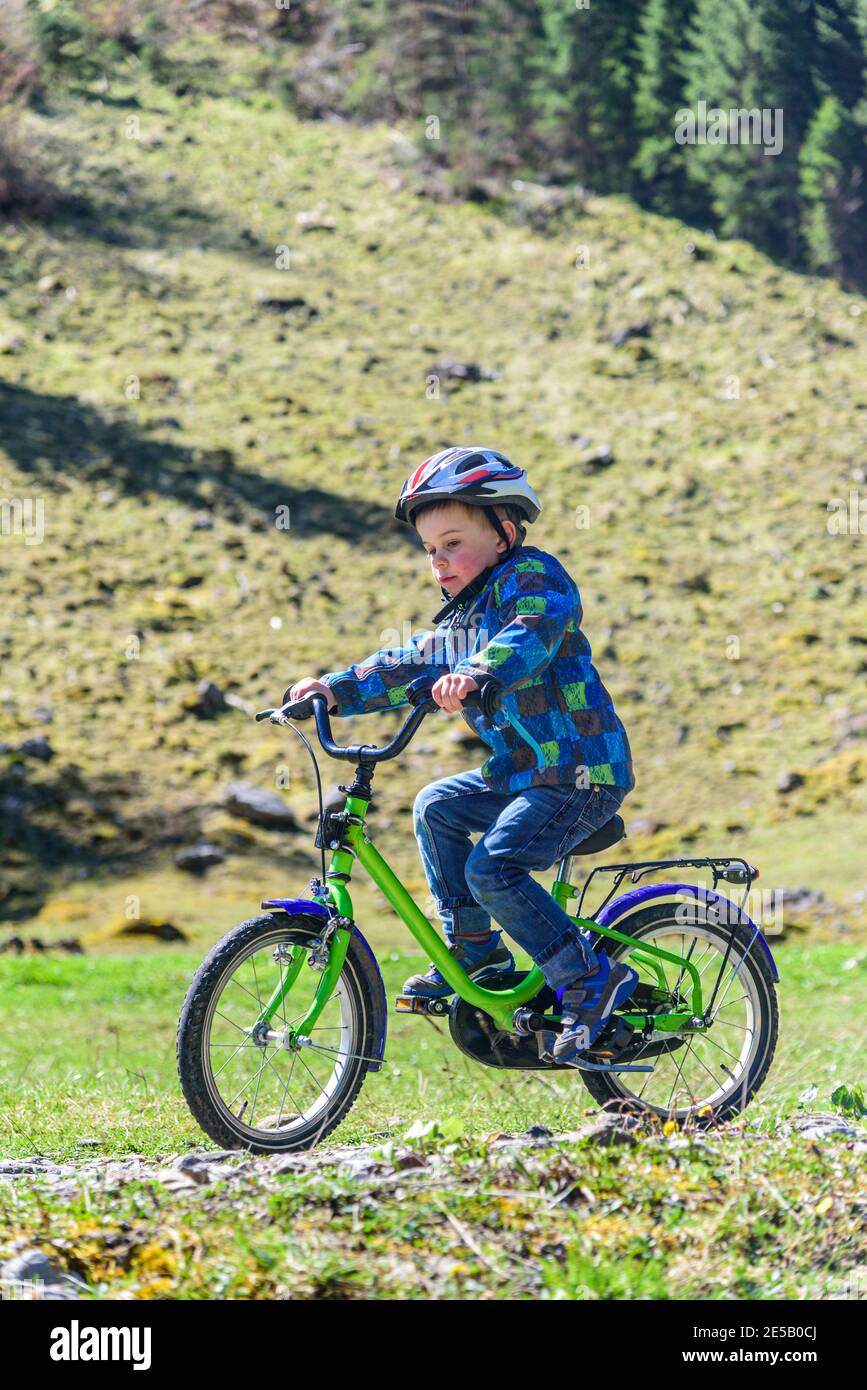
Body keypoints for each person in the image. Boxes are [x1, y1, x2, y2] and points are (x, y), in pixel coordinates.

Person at [285, 446, 638, 1061]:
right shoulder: (462, 617)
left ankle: (589, 977)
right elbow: (407, 662)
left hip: (581, 774)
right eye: (429, 551)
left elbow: (530, 633)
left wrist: (476, 672)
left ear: (503, 532)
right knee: (437, 806)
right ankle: (481, 958)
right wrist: (333, 690)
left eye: (452, 543)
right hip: (521, 775)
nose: (439, 562)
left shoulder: (537, 578)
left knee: (492, 867)